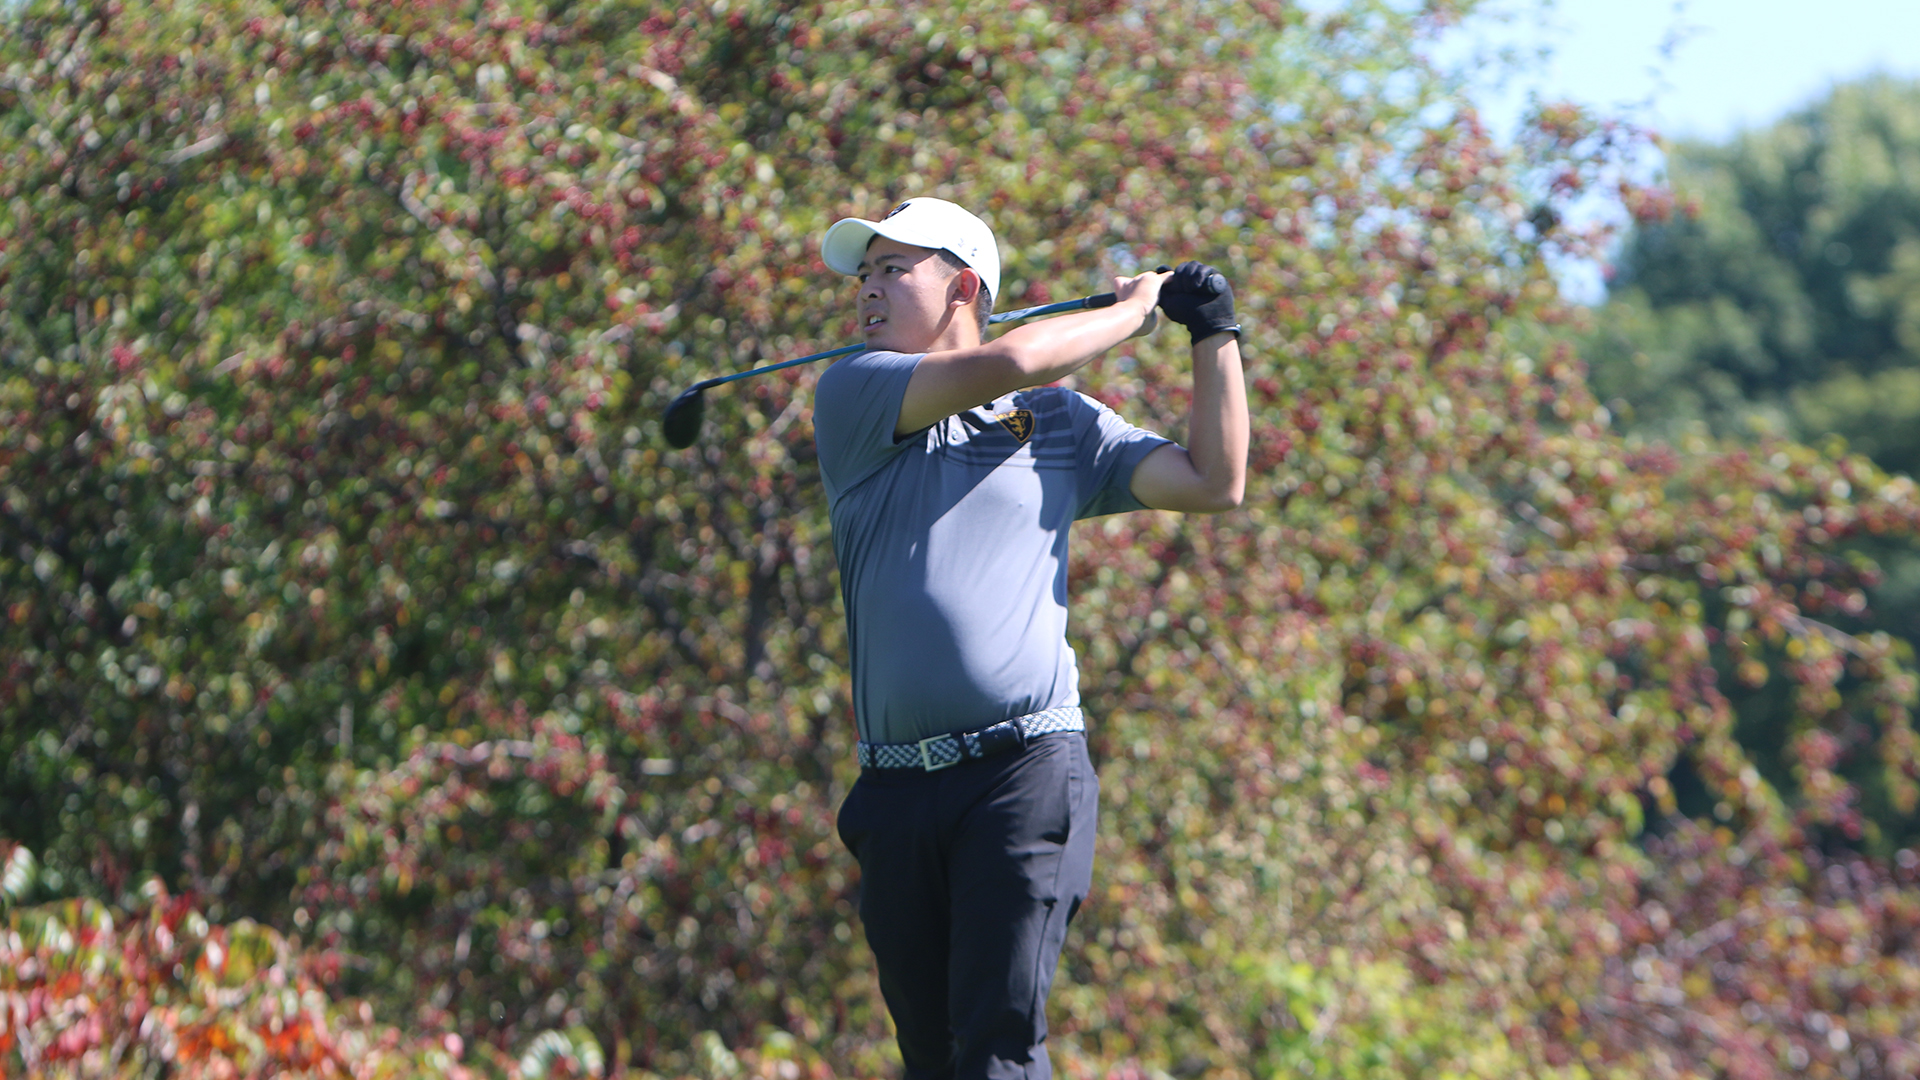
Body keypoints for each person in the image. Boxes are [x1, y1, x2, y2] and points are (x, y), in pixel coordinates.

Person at [812, 196, 1247, 1080]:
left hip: (1023, 772)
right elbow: (1011, 358)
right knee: (933, 1059)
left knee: (997, 1044)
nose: (868, 289)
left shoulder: (1061, 425)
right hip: (895, 791)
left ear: (964, 287)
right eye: (864, 274)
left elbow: (1214, 481)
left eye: (893, 269)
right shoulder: (854, 393)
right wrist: (1132, 313)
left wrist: (1213, 336)